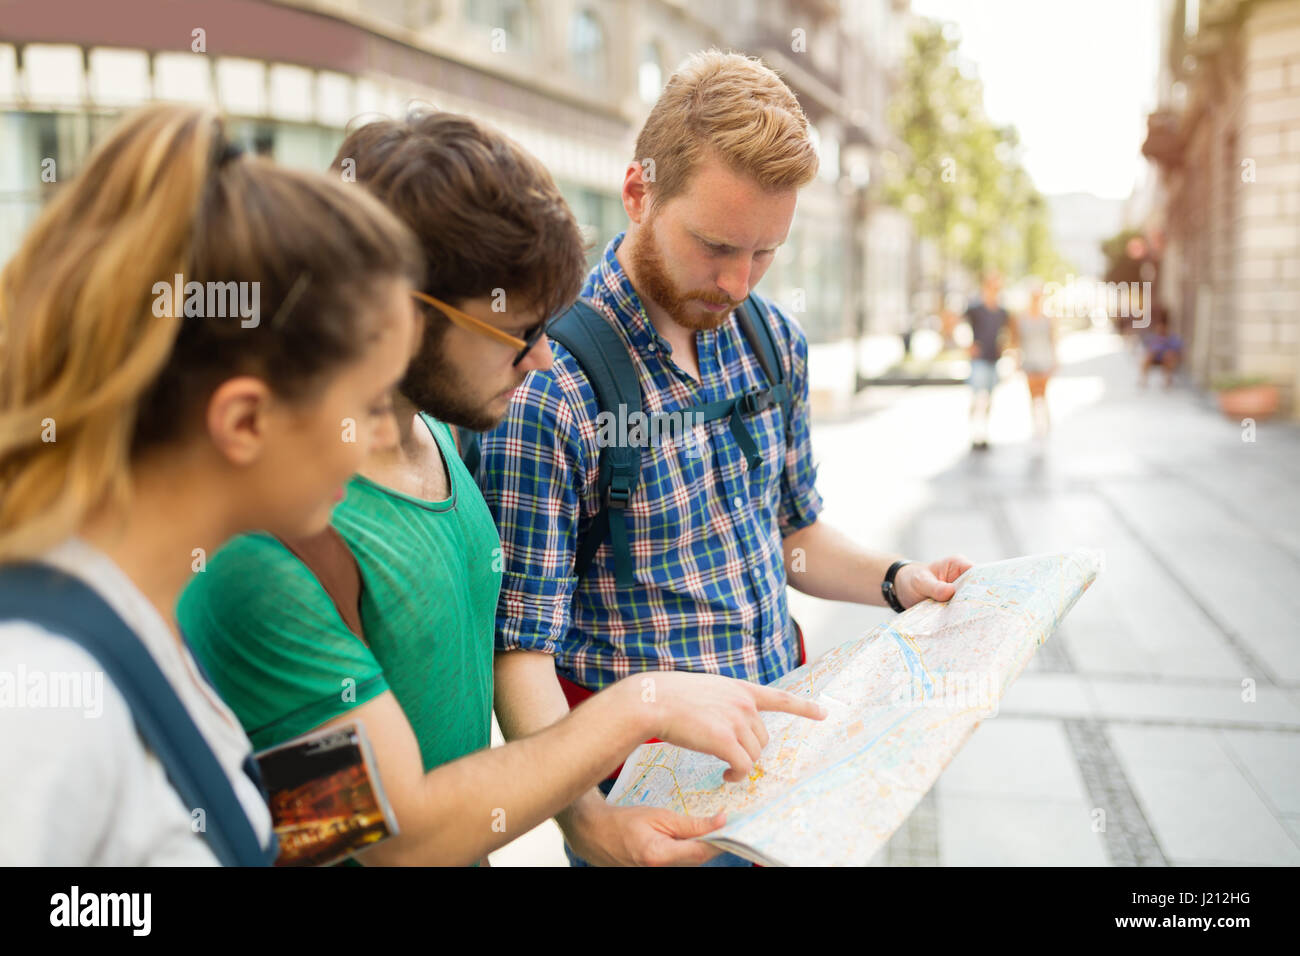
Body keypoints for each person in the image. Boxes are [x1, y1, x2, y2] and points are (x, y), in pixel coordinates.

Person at [177, 108, 824, 868]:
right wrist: (636, 706)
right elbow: (382, 837)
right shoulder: (266, 544)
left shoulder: (439, 434)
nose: (546, 360)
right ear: (400, 320)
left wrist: (588, 817)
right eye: (518, 334)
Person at [476, 50, 973, 867]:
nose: (739, 281)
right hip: (650, 809)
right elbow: (519, 649)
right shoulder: (550, 386)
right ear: (638, 193)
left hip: (785, 756)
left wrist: (897, 580)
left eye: (765, 253)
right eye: (714, 246)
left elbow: (793, 533)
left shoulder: (772, 341)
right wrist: (589, 830)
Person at [0, 103, 425, 864]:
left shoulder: (138, 615)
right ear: (246, 422)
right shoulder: (44, 698)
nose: (385, 435)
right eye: (367, 404)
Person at [964, 271, 1017, 451]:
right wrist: (967, 346)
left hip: (994, 359)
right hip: (979, 360)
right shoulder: (974, 309)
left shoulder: (1002, 311)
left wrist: (1007, 348)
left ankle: (984, 431)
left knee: (989, 398)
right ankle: (973, 432)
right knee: (978, 397)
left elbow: (1009, 332)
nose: (995, 289)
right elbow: (958, 325)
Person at [1012, 281, 1058, 440]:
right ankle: (1036, 425)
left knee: (1043, 394)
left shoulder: (1048, 318)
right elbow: (1018, 341)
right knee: (1032, 395)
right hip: (1029, 361)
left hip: (1044, 360)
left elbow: (1053, 340)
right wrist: (1016, 361)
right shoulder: (1022, 319)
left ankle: (1047, 423)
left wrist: (1055, 360)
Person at [1139, 308, 1182, 388]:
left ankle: (1167, 381)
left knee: (1169, 356)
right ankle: (1143, 380)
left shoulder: (1172, 338)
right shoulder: (1153, 337)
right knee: (1147, 357)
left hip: (1166, 358)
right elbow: (1148, 346)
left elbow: (1177, 348)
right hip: (1155, 357)